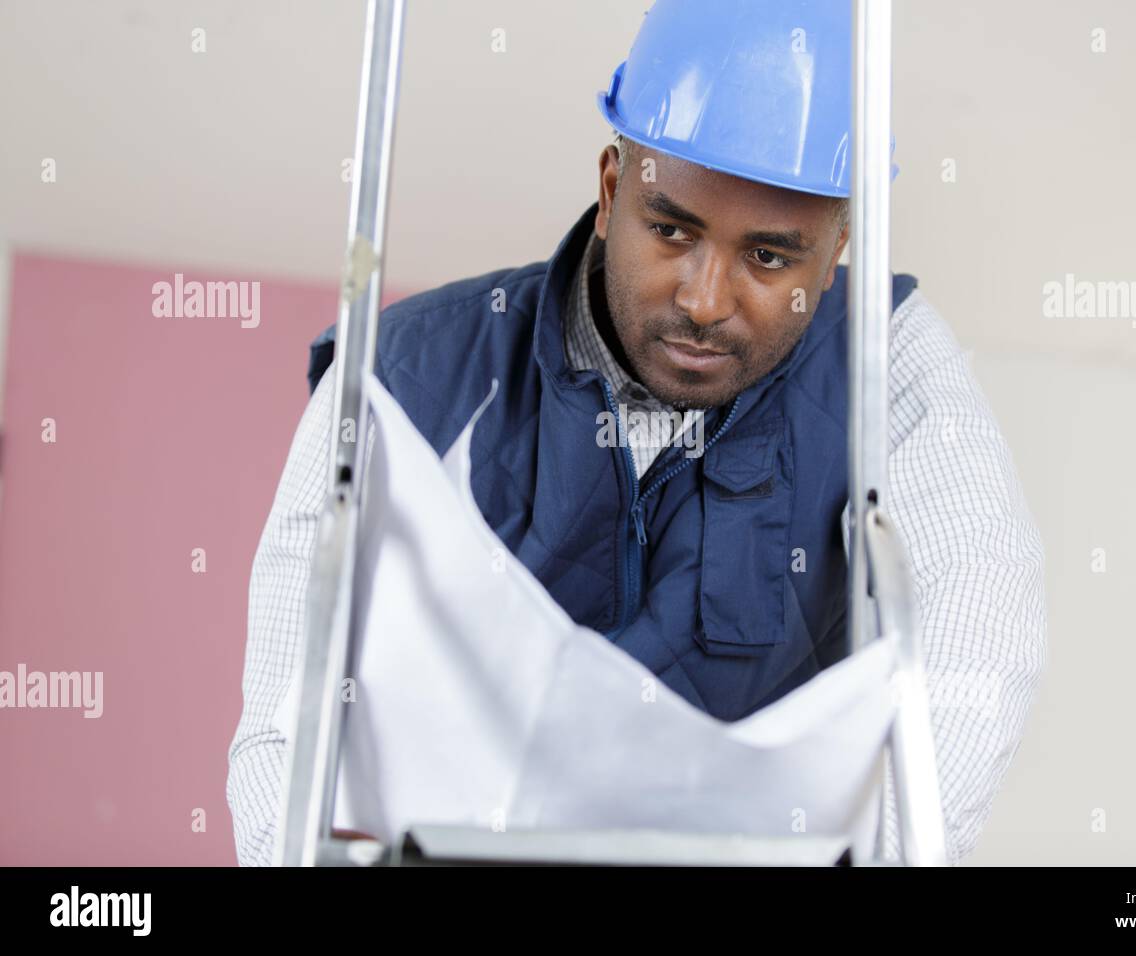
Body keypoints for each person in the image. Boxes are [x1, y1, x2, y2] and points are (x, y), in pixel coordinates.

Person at [227, 0, 1045, 867]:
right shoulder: (400, 373)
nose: (703, 299)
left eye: (769, 258)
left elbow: (973, 646)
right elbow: (287, 724)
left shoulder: (889, 363)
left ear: (838, 248)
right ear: (614, 188)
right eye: (671, 230)